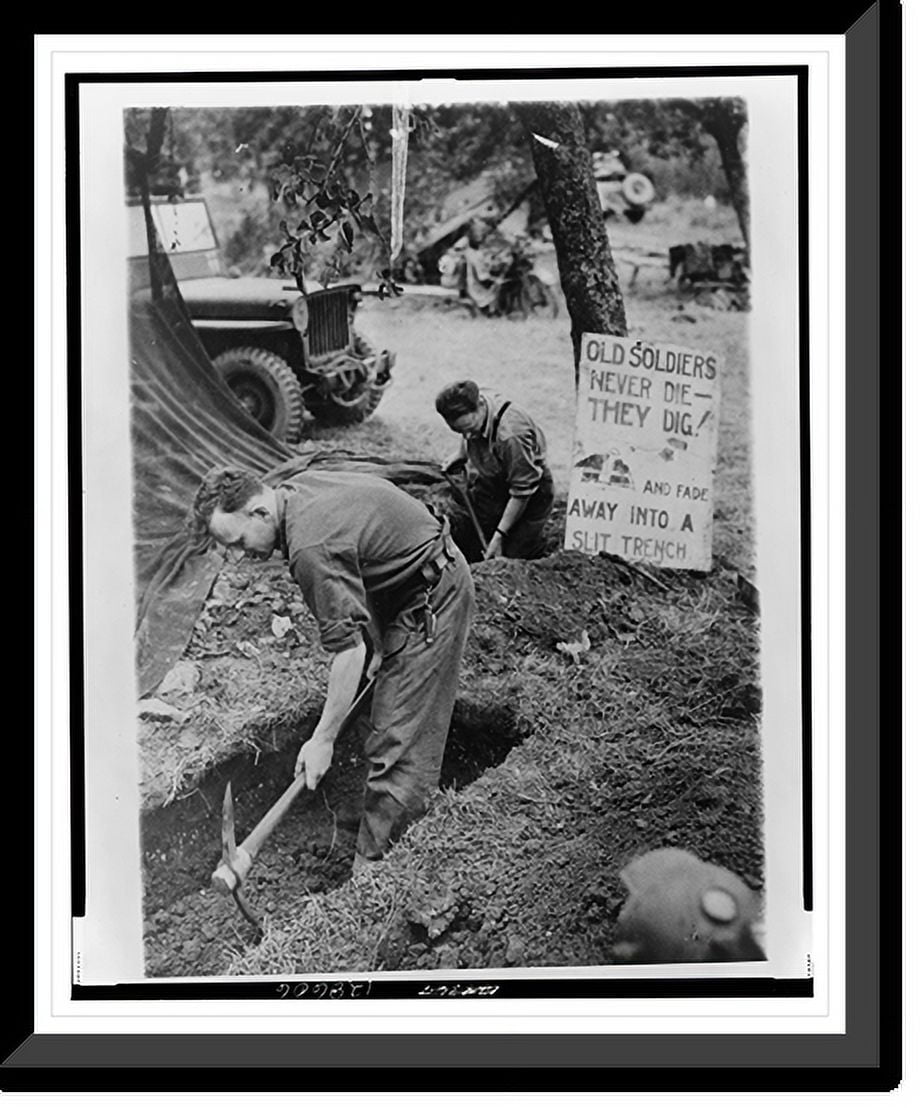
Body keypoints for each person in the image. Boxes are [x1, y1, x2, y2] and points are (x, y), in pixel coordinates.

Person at [191, 466, 475, 876]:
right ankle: (371, 820)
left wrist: (322, 740)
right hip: (401, 586)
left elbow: (347, 653)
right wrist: (380, 643)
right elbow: (363, 560)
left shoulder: (311, 546)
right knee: (377, 706)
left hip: (434, 594)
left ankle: (378, 877)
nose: (238, 557)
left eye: (236, 542)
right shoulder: (293, 494)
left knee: (400, 743)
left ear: (258, 512)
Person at [435, 379, 555, 563]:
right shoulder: (474, 401)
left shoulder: (512, 436)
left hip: (530, 491)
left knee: (511, 556)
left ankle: (536, 551)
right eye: (460, 432)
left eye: (469, 430)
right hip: (494, 478)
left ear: (481, 406)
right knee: (475, 536)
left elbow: (522, 491)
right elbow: (468, 432)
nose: (467, 437)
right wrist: (461, 453)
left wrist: (499, 535)